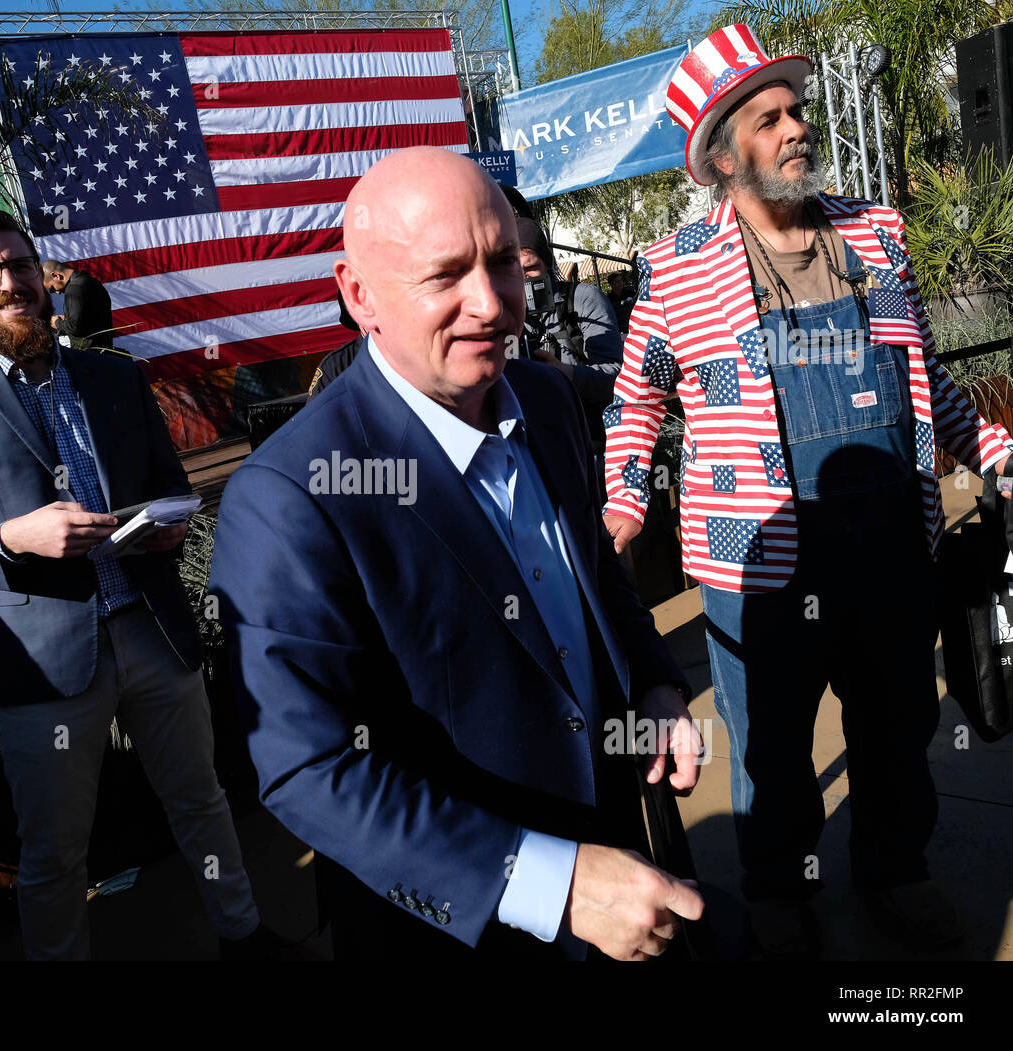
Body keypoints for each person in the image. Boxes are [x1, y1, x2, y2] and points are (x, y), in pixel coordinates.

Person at [209, 148, 705, 961]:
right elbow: (307, 766)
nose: (492, 303)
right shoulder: (291, 496)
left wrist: (653, 681)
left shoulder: (548, 400)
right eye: (446, 275)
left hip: (624, 863)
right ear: (358, 294)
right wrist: (554, 882)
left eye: (503, 261)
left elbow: (594, 570)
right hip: (452, 927)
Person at [601, 25, 1013, 957]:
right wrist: (623, 503)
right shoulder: (673, 269)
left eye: (798, 109)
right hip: (757, 561)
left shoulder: (874, 234)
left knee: (900, 728)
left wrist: (994, 453)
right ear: (720, 152)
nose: (796, 127)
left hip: (892, 543)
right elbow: (635, 403)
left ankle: (896, 872)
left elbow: (929, 382)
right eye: (769, 116)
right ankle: (779, 892)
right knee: (773, 751)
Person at [0, 208, 287, 961]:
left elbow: (172, 484)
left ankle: (243, 932)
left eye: (19, 264)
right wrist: (14, 537)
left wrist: (171, 524)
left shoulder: (114, 376)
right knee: (54, 851)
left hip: (151, 628)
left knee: (202, 803)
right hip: (43, 663)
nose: (11, 283)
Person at [515, 217, 623, 450]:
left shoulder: (583, 299)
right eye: (513, 272)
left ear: (548, 265)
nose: (522, 280)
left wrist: (568, 374)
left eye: (530, 268)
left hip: (590, 440)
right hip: (536, 444)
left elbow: (619, 377)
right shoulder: (506, 314)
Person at [42, 259, 115, 348]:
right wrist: (67, 320)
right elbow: (87, 320)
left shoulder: (74, 288)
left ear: (56, 276)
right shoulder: (91, 281)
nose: (57, 292)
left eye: (52, 288)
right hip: (102, 348)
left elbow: (74, 328)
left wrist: (57, 322)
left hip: (89, 353)